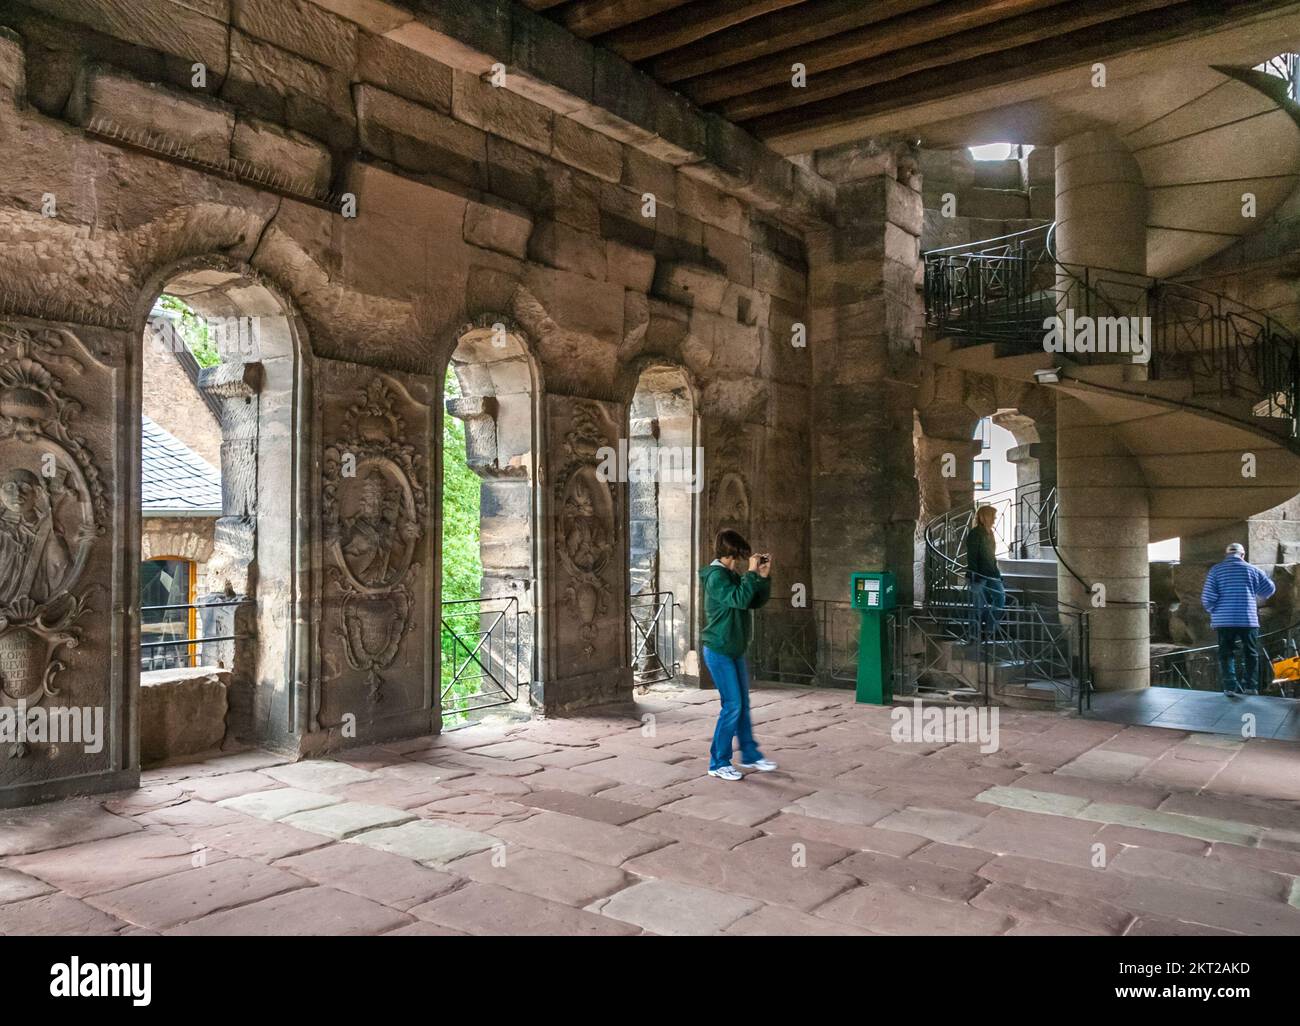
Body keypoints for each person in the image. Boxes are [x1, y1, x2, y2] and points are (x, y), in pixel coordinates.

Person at [699, 529, 775, 781]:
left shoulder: (729, 575)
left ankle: (750, 754)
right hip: (718, 650)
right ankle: (718, 762)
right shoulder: (716, 578)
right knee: (732, 706)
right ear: (732, 553)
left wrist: (762, 578)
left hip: (733, 649)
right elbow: (740, 599)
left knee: (742, 705)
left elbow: (752, 601)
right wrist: (752, 574)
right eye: (740, 555)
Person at [1201, 542, 1275, 695]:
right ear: (1243, 555)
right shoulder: (1253, 570)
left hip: (1224, 621)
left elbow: (1208, 597)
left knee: (1226, 653)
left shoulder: (1216, 570)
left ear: (1226, 554)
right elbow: (1269, 589)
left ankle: (1230, 687)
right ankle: (1251, 686)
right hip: (1248, 619)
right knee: (1250, 653)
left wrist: (1214, 611)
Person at [964, 505, 1004, 641]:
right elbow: (972, 557)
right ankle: (974, 635)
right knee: (977, 607)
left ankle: (989, 630)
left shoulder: (990, 533)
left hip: (992, 574)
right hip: (978, 576)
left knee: (1000, 599)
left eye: (994, 516)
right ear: (983, 517)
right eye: (992, 516)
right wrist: (975, 575)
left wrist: (998, 574)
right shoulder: (975, 533)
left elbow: (991, 556)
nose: (994, 519)